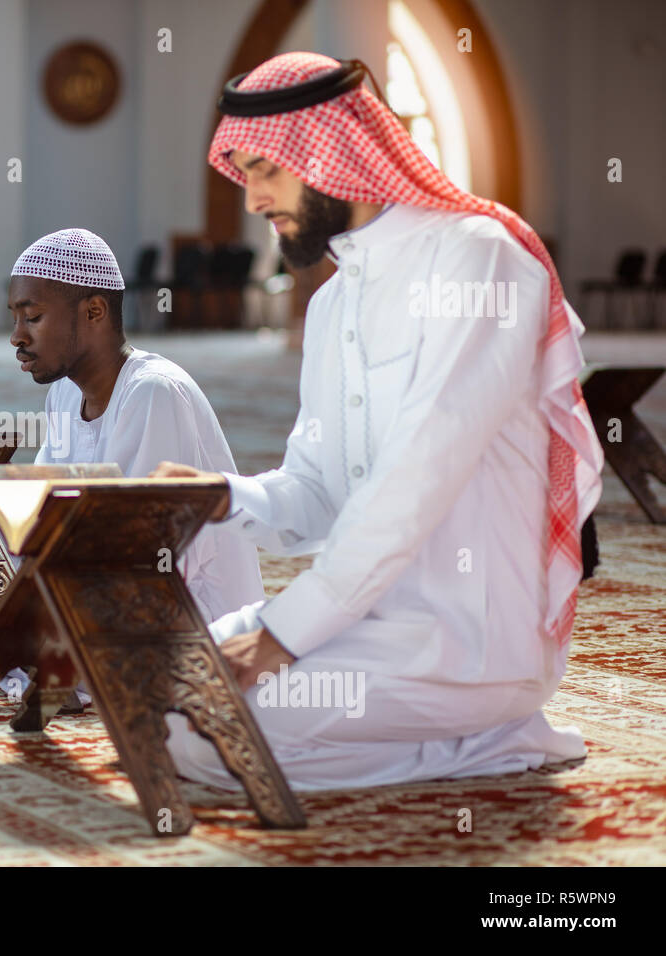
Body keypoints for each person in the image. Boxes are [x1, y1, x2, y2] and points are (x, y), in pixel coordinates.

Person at [155, 52, 604, 791]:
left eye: (265, 168)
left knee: (203, 728)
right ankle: (469, 743)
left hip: (469, 638)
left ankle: (496, 728)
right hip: (364, 624)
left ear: (330, 151)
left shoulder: (477, 260)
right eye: (241, 172)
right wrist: (222, 498)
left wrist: (280, 638)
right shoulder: (333, 304)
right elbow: (319, 491)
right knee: (153, 686)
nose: (253, 199)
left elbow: (418, 477)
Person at [2, 228, 266, 702]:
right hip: (96, 592)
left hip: (182, 620)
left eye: (33, 317)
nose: (17, 337)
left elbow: (135, 553)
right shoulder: (65, 391)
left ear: (95, 311)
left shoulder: (152, 392)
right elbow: (39, 510)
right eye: (16, 319)